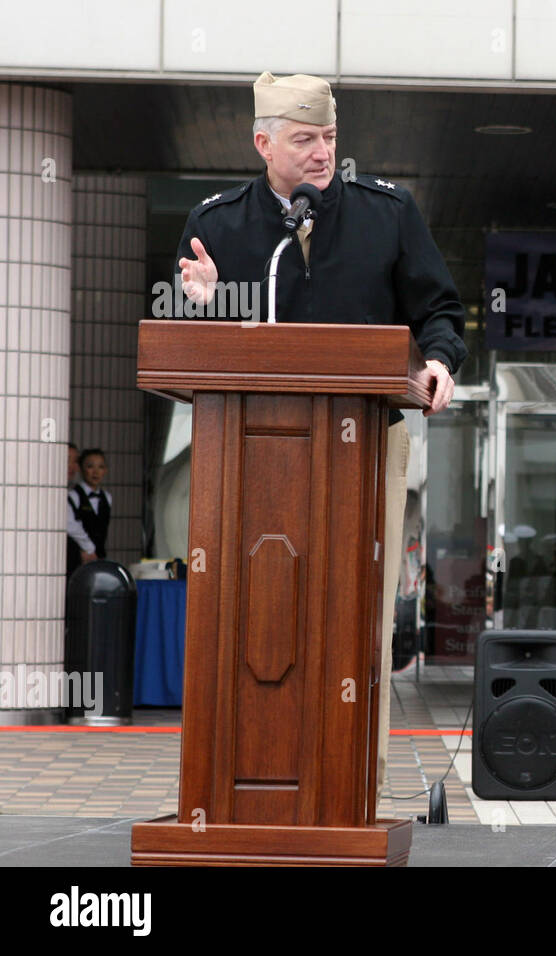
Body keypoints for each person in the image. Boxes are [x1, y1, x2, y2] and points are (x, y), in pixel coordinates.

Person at [175, 71, 467, 787]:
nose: (321, 154)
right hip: (249, 458)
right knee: (254, 614)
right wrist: (203, 306)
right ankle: (240, 781)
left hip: (364, 446)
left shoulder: (387, 214)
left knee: (355, 617)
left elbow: (439, 309)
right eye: (304, 139)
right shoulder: (216, 226)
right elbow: (196, 350)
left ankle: (350, 782)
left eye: (330, 138)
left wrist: (439, 361)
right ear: (262, 142)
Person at [67, 448, 111, 576]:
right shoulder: (73, 496)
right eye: (90, 466)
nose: (95, 472)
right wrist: (88, 548)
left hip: (98, 556)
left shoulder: (107, 497)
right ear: (81, 469)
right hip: (77, 558)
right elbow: (71, 526)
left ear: (105, 471)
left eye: (101, 467)